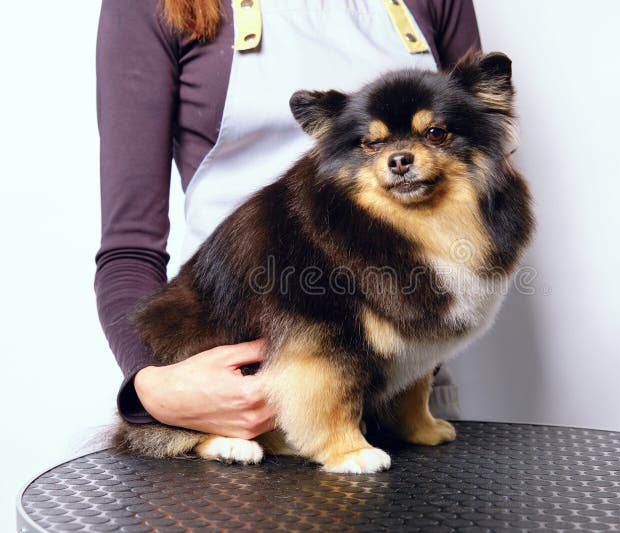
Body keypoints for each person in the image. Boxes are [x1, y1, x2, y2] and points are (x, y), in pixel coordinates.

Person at [95, 0, 482, 440]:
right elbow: (129, 250)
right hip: (235, 410)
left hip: (408, 395)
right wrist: (154, 388)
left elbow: (481, 176)